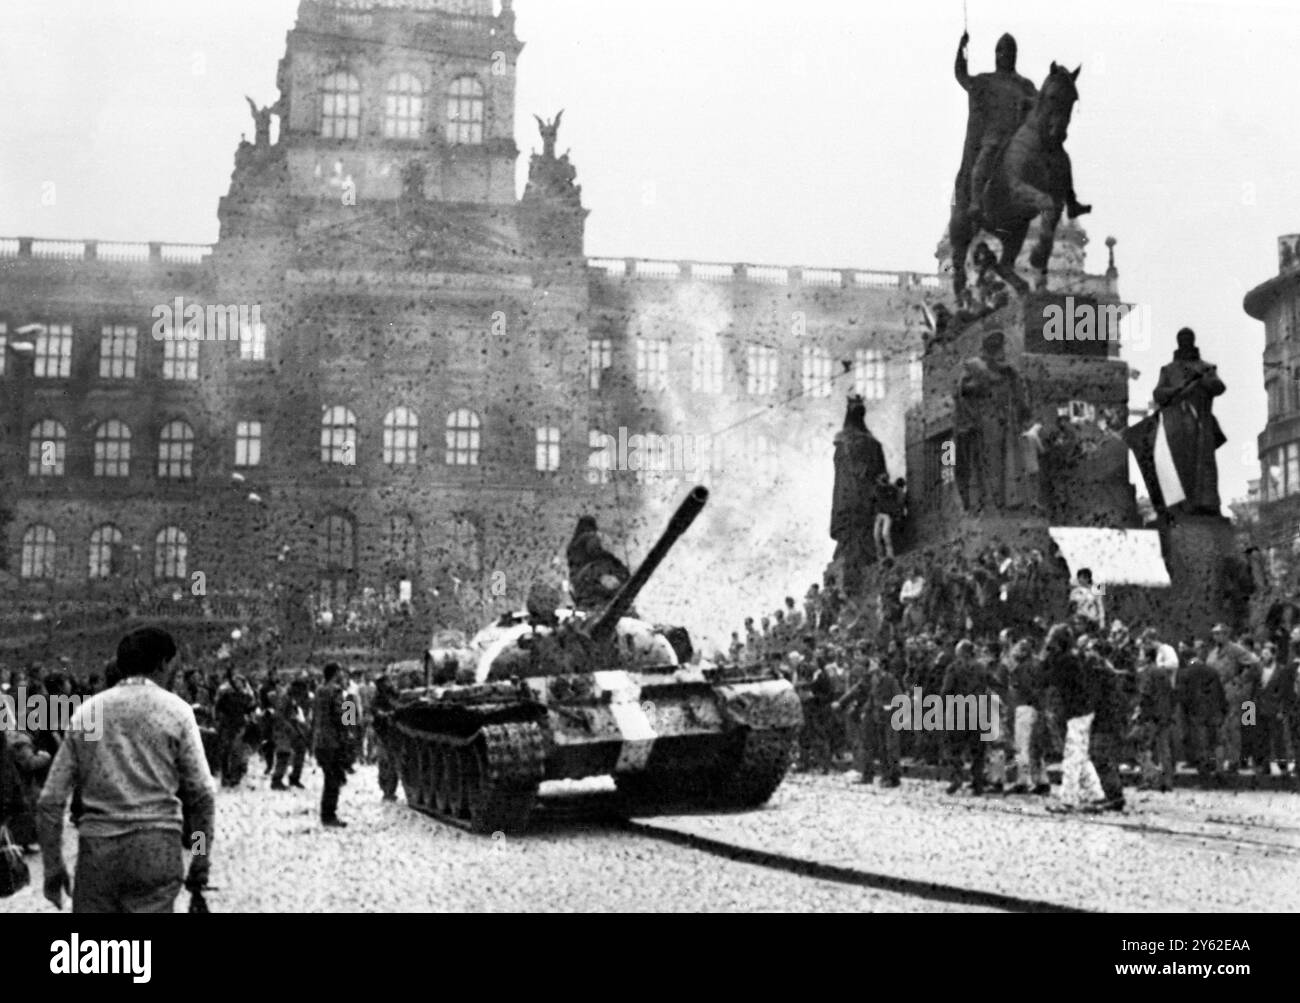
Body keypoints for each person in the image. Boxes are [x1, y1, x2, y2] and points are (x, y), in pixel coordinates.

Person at [36, 627, 215, 913]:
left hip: (98, 852)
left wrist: (53, 866)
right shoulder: (177, 711)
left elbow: (50, 801)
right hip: (157, 847)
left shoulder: (88, 713)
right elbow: (202, 794)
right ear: (162, 664)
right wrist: (200, 857)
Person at [835, 650, 903, 787]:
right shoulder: (870, 677)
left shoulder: (889, 679)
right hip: (874, 714)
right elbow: (858, 690)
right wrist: (843, 702)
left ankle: (891, 777)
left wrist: (890, 707)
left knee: (888, 748)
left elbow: (899, 697)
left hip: (888, 716)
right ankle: (870, 775)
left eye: (874, 663)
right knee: (871, 745)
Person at [1177, 647, 1228, 784]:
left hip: (1197, 713)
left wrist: (1186, 712)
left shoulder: (1185, 673)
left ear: (1184, 659)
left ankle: (1205, 776)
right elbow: (1221, 691)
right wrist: (1223, 710)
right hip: (1215, 711)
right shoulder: (1212, 670)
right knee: (1218, 742)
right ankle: (1219, 771)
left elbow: (1183, 696)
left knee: (1201, 744)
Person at [1134, 640, 1177, 792]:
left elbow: (1145, 695)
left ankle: (1151, 778)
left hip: (1151, 715)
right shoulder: (1162, 672)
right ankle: (1168, 780)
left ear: (1146, 657)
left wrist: (1139, 714)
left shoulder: (1146, 673)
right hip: (1165, 715)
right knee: (1164, 749)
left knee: (1143, 748)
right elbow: (1171, 693)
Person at [312, 663, 351, 828]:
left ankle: (326, 814)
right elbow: (342, 716)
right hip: (333, 741)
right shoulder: (336, 692)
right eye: (340, 673)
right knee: (334, 779)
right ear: (335, 674)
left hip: (320, 740)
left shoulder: (319, 691)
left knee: (330, 778)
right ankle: (329, 815)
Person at [372, 675, 400, 802]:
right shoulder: (350, 692)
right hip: (380, 730)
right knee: (384, 760)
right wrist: (349, 725)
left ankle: (390, 789)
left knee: (390, 761)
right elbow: (350, 707)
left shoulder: (393, 694)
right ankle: (386, 789)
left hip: (392, 731)